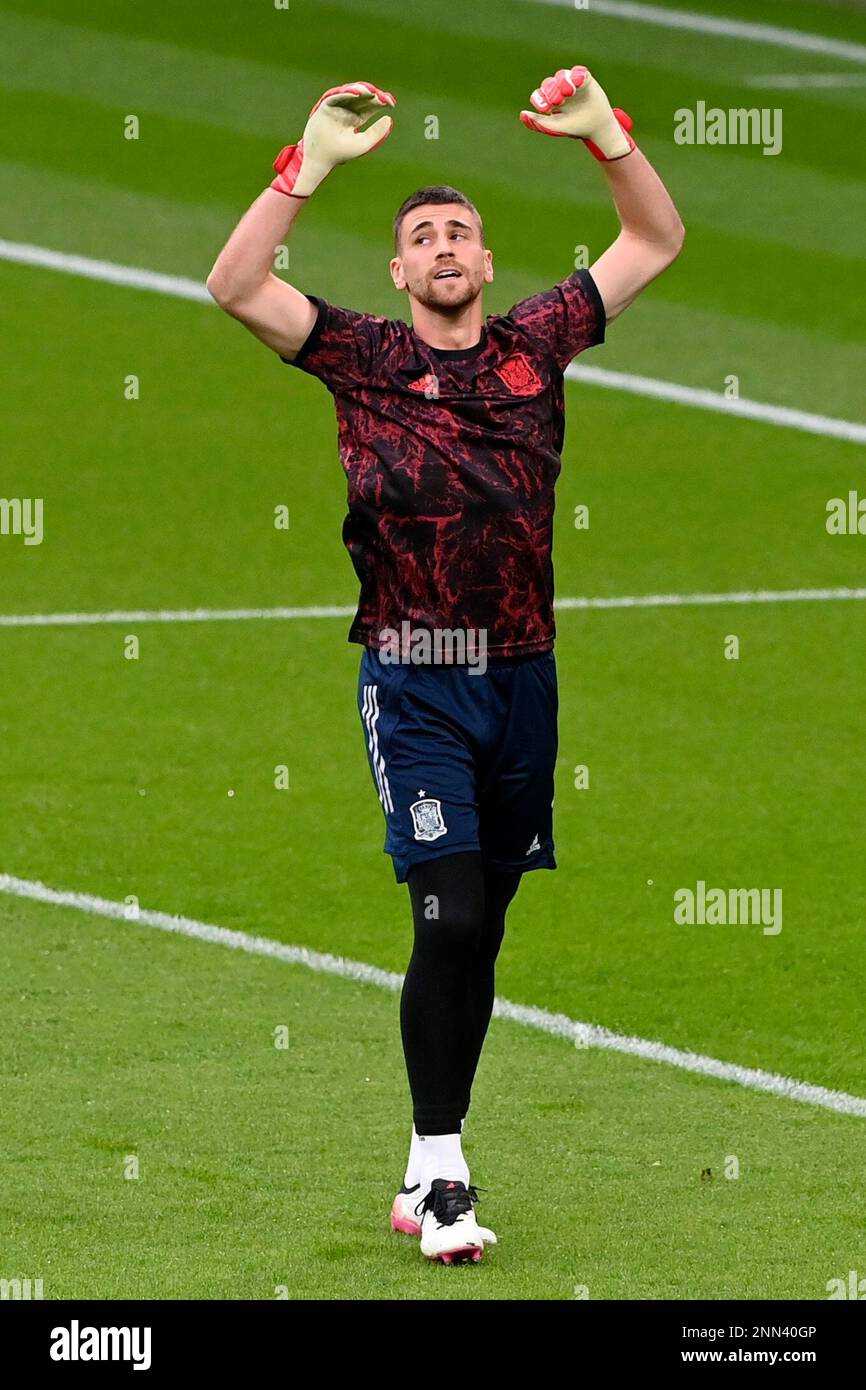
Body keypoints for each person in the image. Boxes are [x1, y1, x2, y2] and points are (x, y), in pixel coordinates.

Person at [207, 68, 684, 1265]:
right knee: (448, 907)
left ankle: (428, 1162)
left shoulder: (535, 344)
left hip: (523, 675)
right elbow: (235, 285)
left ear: (485, 257)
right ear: (398, 271)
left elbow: (653, 240)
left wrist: (606, 139)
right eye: (421, 236)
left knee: (483, 927)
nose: (443, 246)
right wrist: (307, 165)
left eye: (458, 231)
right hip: (414, 673)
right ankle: (442, 1170)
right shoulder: (359, 354)